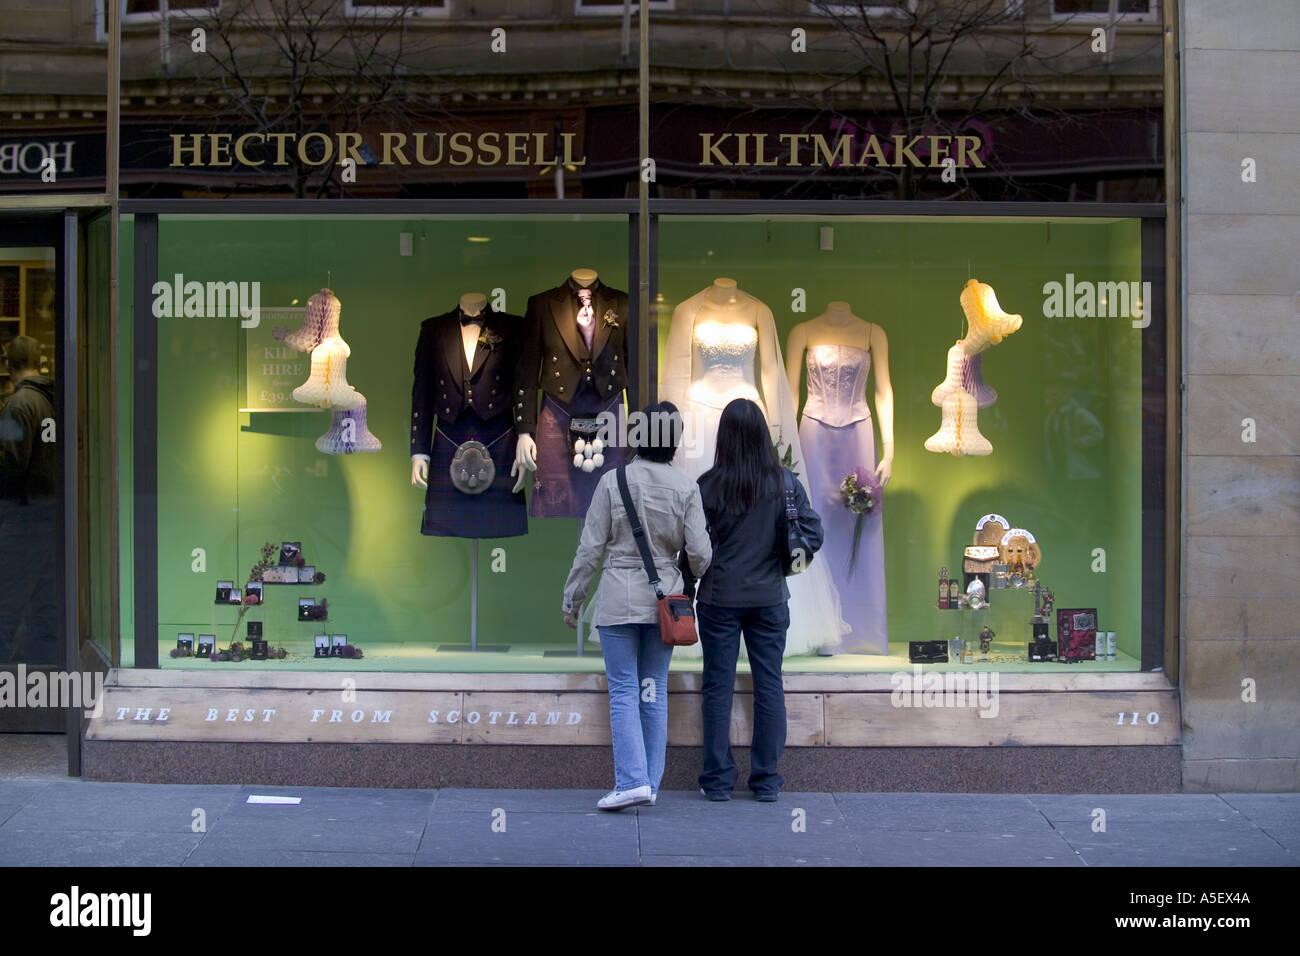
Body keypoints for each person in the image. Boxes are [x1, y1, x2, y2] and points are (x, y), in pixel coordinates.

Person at [562, 401, 711, 811]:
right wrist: (674, 567)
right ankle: (649, 781)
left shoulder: (613, 482)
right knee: (652, 689)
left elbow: (590, 548)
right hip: (665, 602)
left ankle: (630, 781)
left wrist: (573, 597)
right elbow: (701, 556)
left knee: (624, 690)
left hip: (616, 600)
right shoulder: (686, 488)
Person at [695, 397, 823, 802]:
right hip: (769, 598)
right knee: (769, 685)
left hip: (719, 597)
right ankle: (766, 780)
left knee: (718, 686)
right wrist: (783, 561)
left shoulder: (708, 485)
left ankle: (717, 781)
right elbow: (814, 533)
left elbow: (693, 547)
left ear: (724, 437)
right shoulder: (784, 483)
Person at [0, 336, 58, 663]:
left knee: (6, 603)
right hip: (51, 517)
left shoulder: (18, 405)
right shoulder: (55, 400)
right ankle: (43, 679)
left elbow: (10, 466)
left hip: (23, 518)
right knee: (46, 608)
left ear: (9, 365)